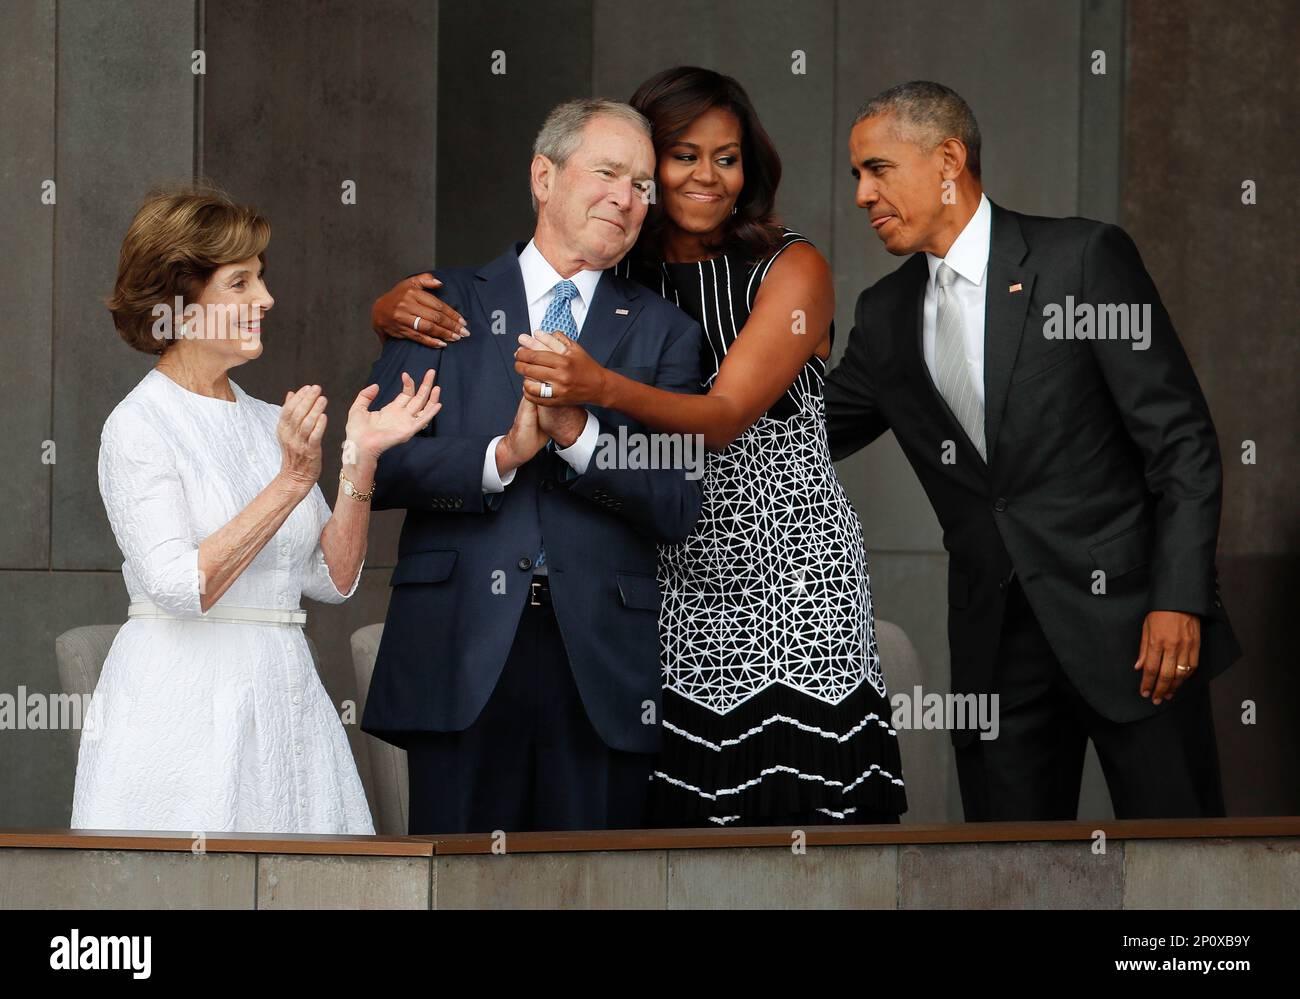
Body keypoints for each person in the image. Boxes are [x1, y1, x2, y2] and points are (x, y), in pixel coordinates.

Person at [371, 68, 907, 828]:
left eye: (726, 158)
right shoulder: (492, 292)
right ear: (546, 176)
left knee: (779, 805)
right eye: (675, 159)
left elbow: (712, 428)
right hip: (645, 604)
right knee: (680, 807)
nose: (700, 177)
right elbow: (380, 457)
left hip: (772, 572)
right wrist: (488, 438)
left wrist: (585, 411)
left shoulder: (738, 288)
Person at [824, 81, 1240, 820]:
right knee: (1004, 879)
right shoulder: (884, 314)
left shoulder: (1083, 259)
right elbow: (806, 434)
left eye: (877, 168)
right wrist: (633, 420)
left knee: (1184, 869)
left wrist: (1178, 599)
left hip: (1136, 629)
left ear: (948, 158)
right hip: (997, 652)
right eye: (857, 174)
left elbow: (1181, 443)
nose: (861, 193)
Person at [358, 99, 705, 835]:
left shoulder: (666, 331)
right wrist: (497, 456)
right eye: (608, 171)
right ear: (543, 177)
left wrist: (579, 434)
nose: (628, 196)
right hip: (460, 648)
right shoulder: (438, 305)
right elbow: (378, 467)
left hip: (601, 664)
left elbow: (677, 501)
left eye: (643, 184)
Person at [72, 187, 438, 835]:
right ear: (180, 305)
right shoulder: (139, 426)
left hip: (287, 694)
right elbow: (181, 587)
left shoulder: (270, 420)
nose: (265, 299)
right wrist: (292, 479)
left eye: (260, 279)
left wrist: (358, 460)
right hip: (183, 710)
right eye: (239, 282)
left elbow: (334, 577)